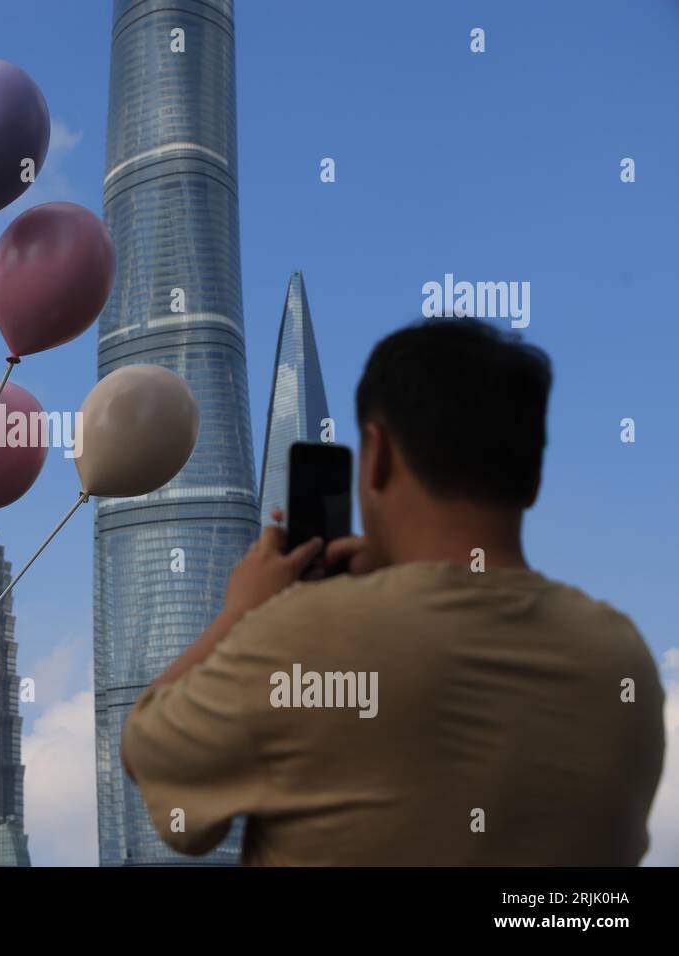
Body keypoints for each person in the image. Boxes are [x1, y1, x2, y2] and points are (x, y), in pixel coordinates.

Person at [121, 318, 665, 865]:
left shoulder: (303, 636)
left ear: (377, 454)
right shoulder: (621, 659)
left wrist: (241, 613)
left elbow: (150, 752)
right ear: (533, 476)